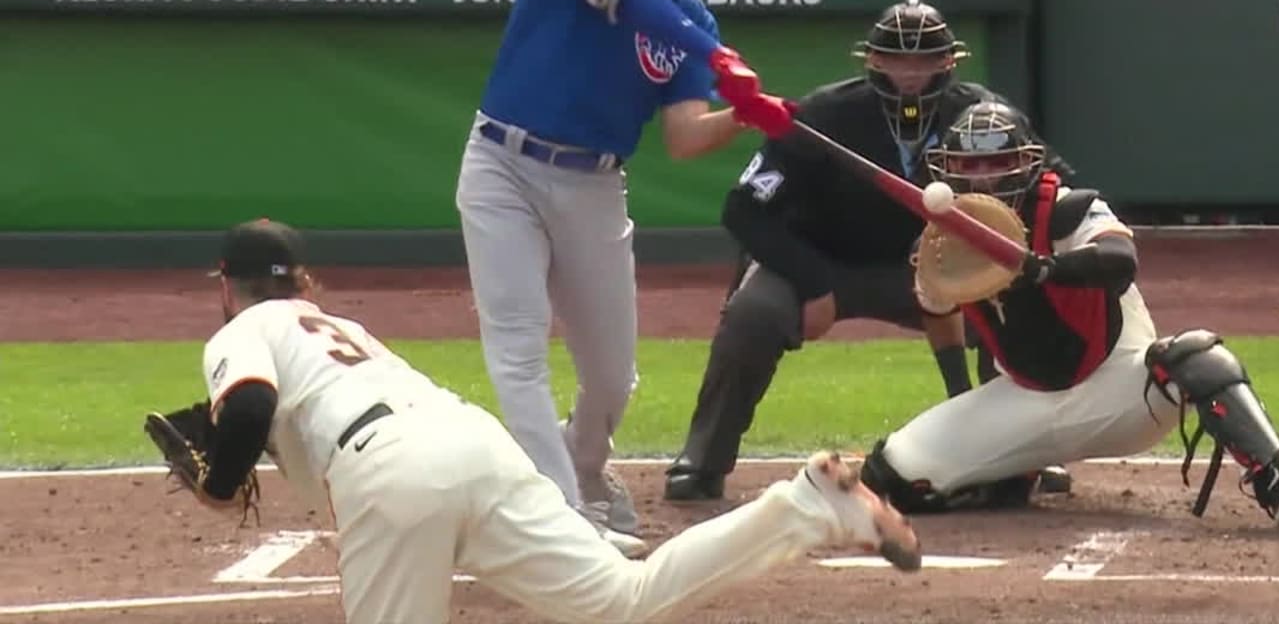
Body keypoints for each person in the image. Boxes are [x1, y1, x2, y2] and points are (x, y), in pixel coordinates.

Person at [176, 218, 919, 624]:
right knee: (620, 601)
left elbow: (250, 406)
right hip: (470, 441)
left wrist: (217, 486)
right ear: (305, 282)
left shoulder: (242, 329)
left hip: (390, 471)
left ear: (227, 289)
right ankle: (801, 506)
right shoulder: (342, 327)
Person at [455, 0, 795, 553]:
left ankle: (580, 469)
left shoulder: (691, 18)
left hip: (594, 184)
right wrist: (715, 54)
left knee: (613, 377)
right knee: (518, 350)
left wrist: (746, 116)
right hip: (501, 165)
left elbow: (683, 136)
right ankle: (563, 521)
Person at [664, 0, 1073, 503]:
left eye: (926, 59)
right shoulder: (825, 113)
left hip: (939, 269)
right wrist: (814, 283)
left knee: (1018, 304)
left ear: (950, 61)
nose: (912, 72)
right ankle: (702, 459)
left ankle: (1023, 454)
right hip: (820, 262)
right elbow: (743, 210)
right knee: (753, 313)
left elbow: (1054, 184)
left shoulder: (979, 115)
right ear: (873, 60)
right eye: (898, 59)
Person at [857, 102, 1279, 528]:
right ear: (948, 171)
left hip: (1121, 390)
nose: (983, 178)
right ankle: (1012, 474)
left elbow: (1120, 261)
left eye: (997, 163)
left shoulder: (1069, 209)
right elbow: (937, 310)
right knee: (891, 476)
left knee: (1195, 355)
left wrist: (1043, 269)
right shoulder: (941, 247)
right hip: (1023, 400)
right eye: (969, 165)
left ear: (1027, 164)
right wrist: (959, 391)